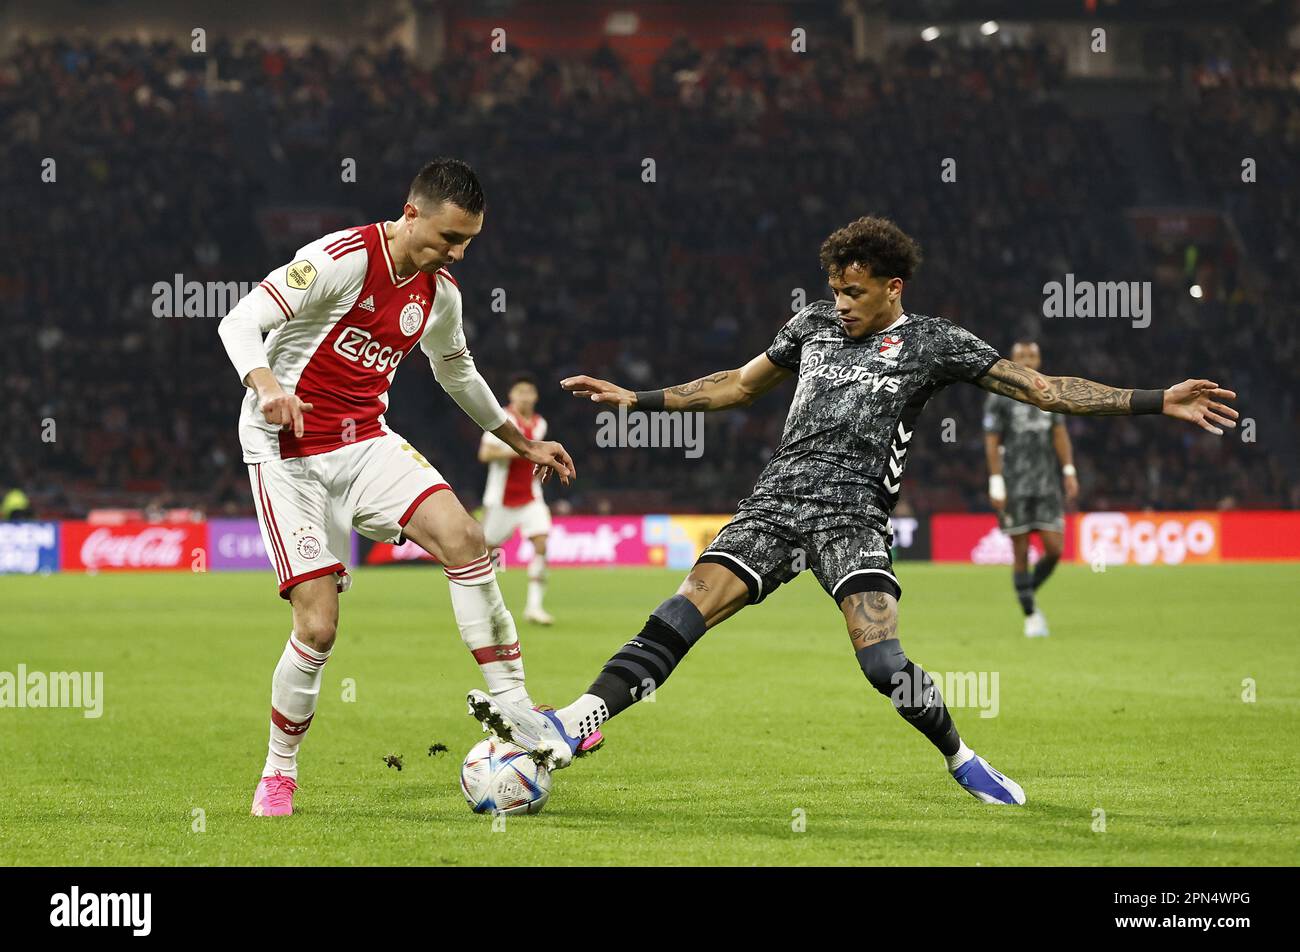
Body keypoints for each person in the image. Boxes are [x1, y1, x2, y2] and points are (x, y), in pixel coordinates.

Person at [465, 216, 1237, 805]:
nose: (842, 304)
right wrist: (638, 397)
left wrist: (1152, 400)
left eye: (856, 292)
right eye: (836, 289)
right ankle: (576, 720)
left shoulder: (936, 343)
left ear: (893, 287)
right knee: (686, 605)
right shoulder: (810, 327)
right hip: (775, 502)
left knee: (882, 664)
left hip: (853, 517)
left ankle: (962, 757)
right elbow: (736, 384)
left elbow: (1043, 390)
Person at [217, 158, 586, 817]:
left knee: (465, 537)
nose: (460, 253)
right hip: (287, 453)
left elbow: (457, 372)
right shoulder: (338, 260)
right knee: (319, 627)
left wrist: (520, 439)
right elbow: (238, 322)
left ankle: (517, 709)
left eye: (469, 240)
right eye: (450, 238)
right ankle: (279, 771)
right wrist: (267, 385)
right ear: (410, 214)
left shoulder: (439, 293)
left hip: (364, 440)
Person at [983, 340, 1078, 637]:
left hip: (1047, 483)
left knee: (1054, 548)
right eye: (1022, 355)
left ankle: (1026, 591)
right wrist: (996, 481)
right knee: (1021, 552)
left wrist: (1069, 470)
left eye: (1032, 355)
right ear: (1012, 359)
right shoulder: (1000, 394)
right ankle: (1031, 614)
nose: (1027, 359)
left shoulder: (1051, 390)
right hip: (1015, 484)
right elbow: (991, 441)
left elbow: (1060, 434)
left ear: (1039, 358)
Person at [478, 376, 556, 625]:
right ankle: (484, 606)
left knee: (541, 543)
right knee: (487, 553)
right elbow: (486, 453)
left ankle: (534, 607)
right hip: (501, 499)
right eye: (519, 392)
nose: (524, 396)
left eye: (529, 392)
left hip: (531, 497)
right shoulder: (501, 419)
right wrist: (521, 448)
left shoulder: (540, 423)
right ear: (511, 396)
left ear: (535, 397)